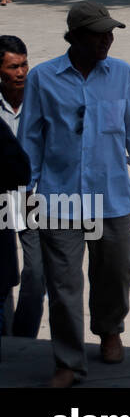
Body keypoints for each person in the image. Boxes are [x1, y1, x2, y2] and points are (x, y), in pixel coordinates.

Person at [19, 2, 130, 387]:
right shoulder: (43, 78)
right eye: (98, 34)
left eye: (110, 33)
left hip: (110, 194)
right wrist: (27, 190)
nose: (106, 40)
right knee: (63, 283)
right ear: (75, 37)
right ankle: (68, 360)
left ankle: (110, 329)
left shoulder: (123, 75)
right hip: (58, 196)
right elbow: (30, 137)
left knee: (115, 271)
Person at [0, 36, 38, 345]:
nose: (22, 72)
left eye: (24, 64)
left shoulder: (40, 98)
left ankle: (23, 342)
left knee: (36, 275)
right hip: (1, 196)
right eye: (13, 67)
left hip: (32, 196)